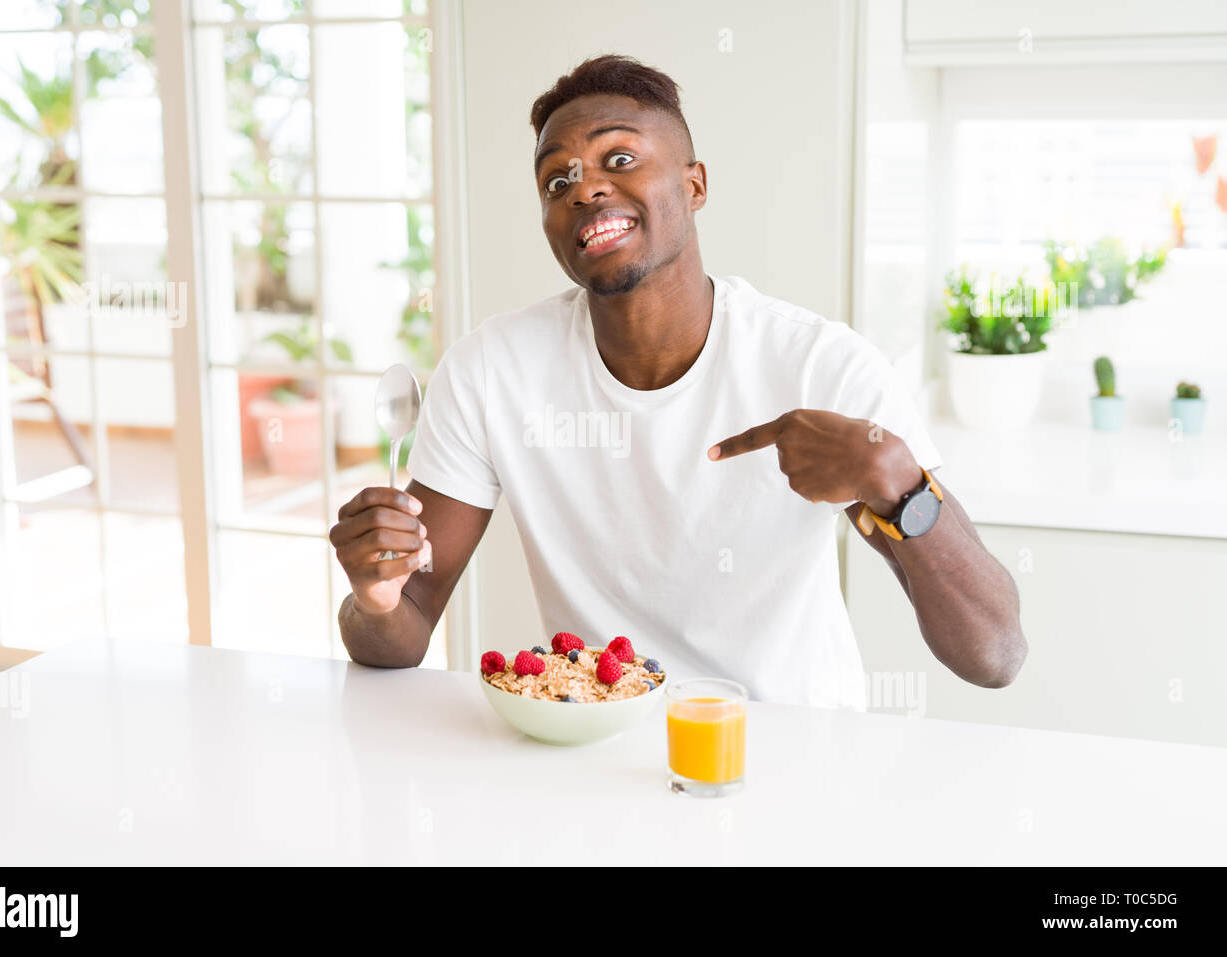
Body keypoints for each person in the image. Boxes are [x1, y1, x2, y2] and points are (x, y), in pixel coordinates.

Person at [330, 54, 1026, 707]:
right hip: (598, 744)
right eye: (556, 180)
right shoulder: (490, 371)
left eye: (620, 158)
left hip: (794, 753)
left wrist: (900, 483)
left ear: (693, 186)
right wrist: (376, 596)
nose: (586, 187)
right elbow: (400, 632)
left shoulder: (820, 366)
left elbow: (993, 654)